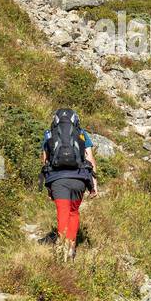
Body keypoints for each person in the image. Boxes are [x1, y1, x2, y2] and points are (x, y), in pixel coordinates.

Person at [40, 109, 98, 260]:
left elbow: (45, 160)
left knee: (62, 212)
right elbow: (90, 160)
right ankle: (71, 246)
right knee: (73, 211)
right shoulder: (82, 134)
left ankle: (62, 247)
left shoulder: (48, 134)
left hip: (58, 180)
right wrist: (94, 184)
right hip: (79, 179)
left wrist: (48, 185)